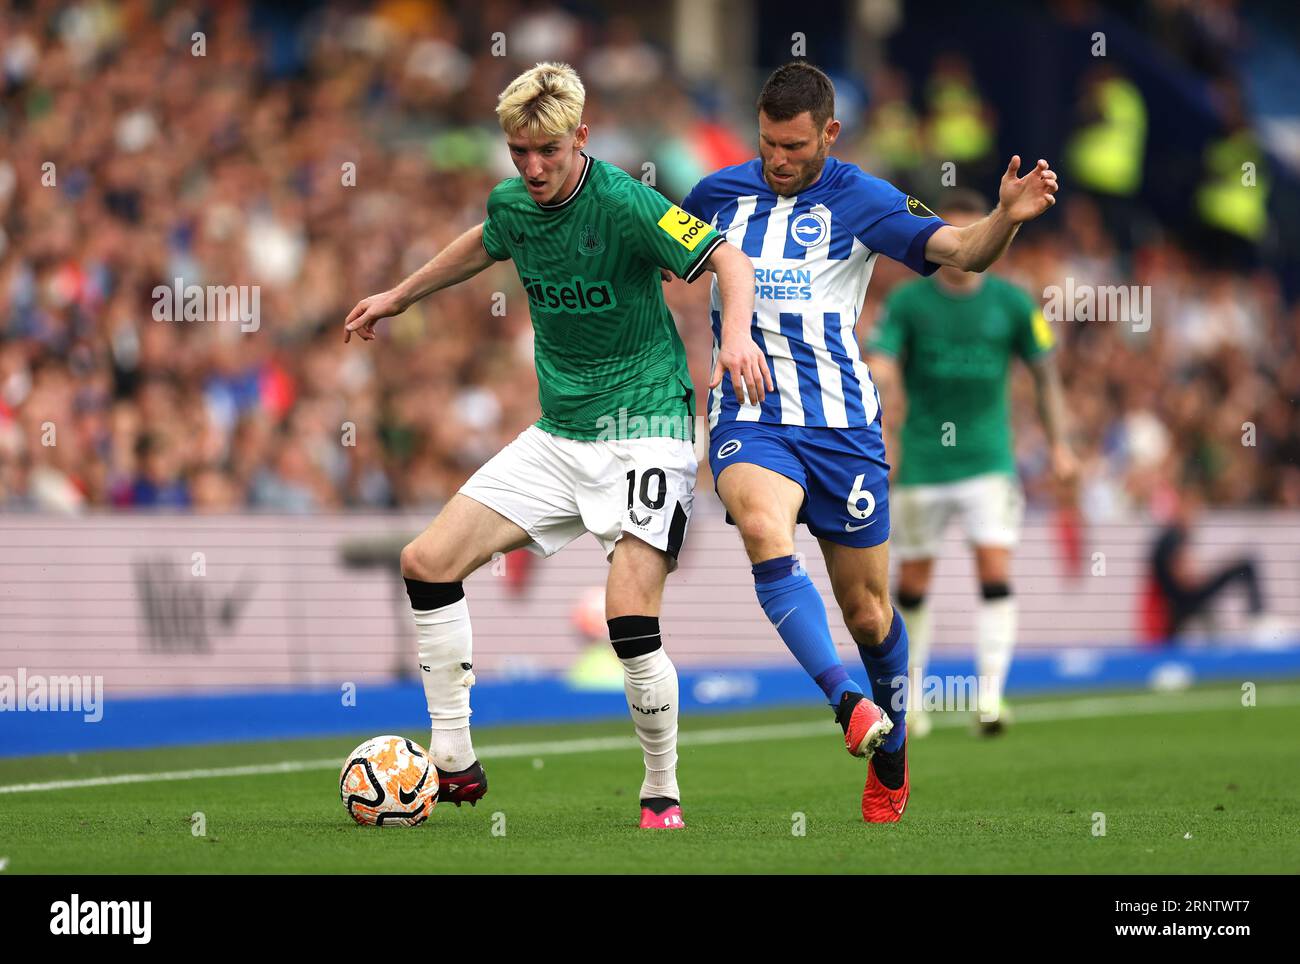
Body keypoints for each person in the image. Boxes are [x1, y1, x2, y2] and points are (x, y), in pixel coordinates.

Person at [343, 62, 766, 829]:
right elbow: (487, 238)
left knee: (628, 620)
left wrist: (733, 337)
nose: (532, 168)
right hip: (562, 432)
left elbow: (728, 260)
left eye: (547, 151)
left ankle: (661, 787)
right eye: (518, 153)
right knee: (426, 564)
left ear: (582, 137)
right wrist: (401, 295)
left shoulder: (628, 203)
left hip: (648, 428)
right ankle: (452, 758)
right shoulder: (513, 201)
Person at [682, 61, 1058, 822]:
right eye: (767, 144)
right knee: (761, 526)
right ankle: (846, 699)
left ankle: (892, 752)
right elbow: (647, 256)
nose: (778, 160)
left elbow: (962, 252)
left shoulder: (863, 197)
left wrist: (1006, 219)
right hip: (752, 415)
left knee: (870, 615)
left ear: (829, 133)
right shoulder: (715, 196)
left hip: (844, 429)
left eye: (793, 146)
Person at [867, 189, 1077, 738]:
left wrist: (1060, 444)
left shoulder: (1014, 303)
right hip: (924, 461)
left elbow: (1046, 375)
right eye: (954, 237)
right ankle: (910, 701)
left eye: (973, 234)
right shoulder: (910, 303)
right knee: (912, 582)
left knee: (995, 572)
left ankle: (990, 697)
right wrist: (885, 384)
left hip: (989, 460)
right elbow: (883, 357)